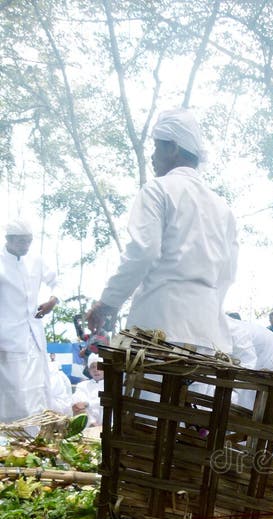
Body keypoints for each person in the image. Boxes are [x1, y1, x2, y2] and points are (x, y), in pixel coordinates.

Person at [87, 108, 238, 353]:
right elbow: (227, 273)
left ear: (173, 149)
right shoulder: (223, 208)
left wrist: (108, 303)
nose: (152, 157)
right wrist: (203, 307)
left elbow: (143, 252)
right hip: (208, 335)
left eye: (156, 148)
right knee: (196, 394)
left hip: (158, 329)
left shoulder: (158, 189)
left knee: (148, 393)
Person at [0, 219, 60, 423]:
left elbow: (57, 280)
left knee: (40, 390)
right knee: (14, 394)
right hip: (7, 340)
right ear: (9, 240)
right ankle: (11, 445)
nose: (26, 246)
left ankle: (39, 440)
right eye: (21, 242)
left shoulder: (36, 260)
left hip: (34, 334)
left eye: (29, 241)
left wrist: (53, 299)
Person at [71, 353, 104, 427]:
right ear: (89, 370)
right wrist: (92, 423)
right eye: (92, 367)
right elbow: (79, 405)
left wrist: (88, 403)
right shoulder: (82, 385)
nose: (96, 370)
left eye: (99, 366)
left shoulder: (112, 385)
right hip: (88, 427)